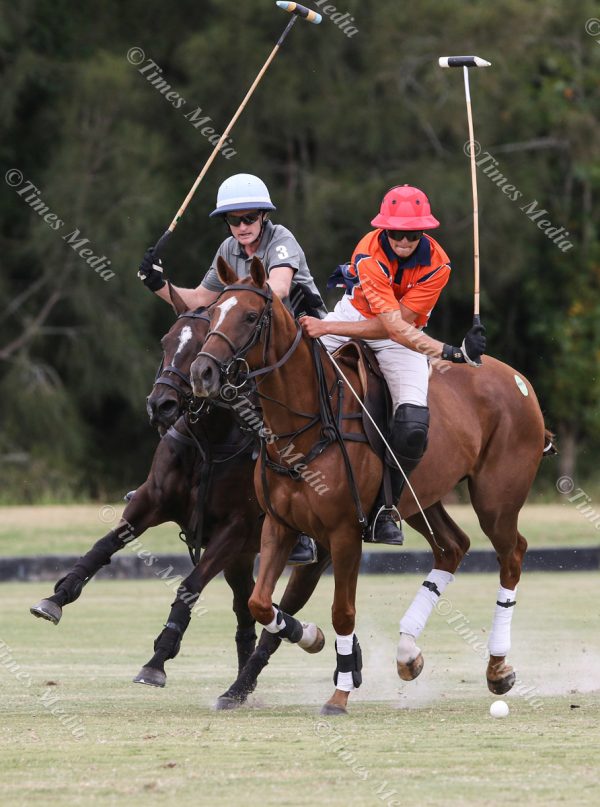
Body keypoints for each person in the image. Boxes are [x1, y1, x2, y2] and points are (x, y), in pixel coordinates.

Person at [138, 174, 327, 565]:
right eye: (234, 220)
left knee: (300, 422)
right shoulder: (228, 247)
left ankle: (305, 528)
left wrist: (234, 301)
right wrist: (158, 283)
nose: (242, 226)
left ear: (263, 216)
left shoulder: (281, 241)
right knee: (195, 395)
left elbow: (276, 290)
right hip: (253, 354)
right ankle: (163, 488)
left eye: (249, 218)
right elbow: (198, 302)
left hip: (301, 345)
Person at [299, 185, 486, 545]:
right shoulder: (369, 253)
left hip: (403, 336)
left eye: (412, 233)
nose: (403, 240)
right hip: (354, 315)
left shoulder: (438, 266)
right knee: (291, 382)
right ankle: (284, 498)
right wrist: (450, 351)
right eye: (396, 232)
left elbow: (396, 329)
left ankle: (386, 508)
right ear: (385, 230)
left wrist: (452, 353)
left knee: (414, 425)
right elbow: (382, 320)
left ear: (423, 232)